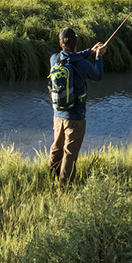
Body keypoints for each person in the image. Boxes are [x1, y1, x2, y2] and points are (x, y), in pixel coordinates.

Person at [47, 26, 106, 184]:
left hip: (58, 115)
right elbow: (98, 76)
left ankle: (51, 178)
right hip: (76, 117)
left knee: (56, 148)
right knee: (70, 153)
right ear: (76, 43)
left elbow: (69, 56)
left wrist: (89, 51)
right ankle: (64, 187)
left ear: (61, 45)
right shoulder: (84, 64)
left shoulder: (54, 59)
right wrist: (98, 57)